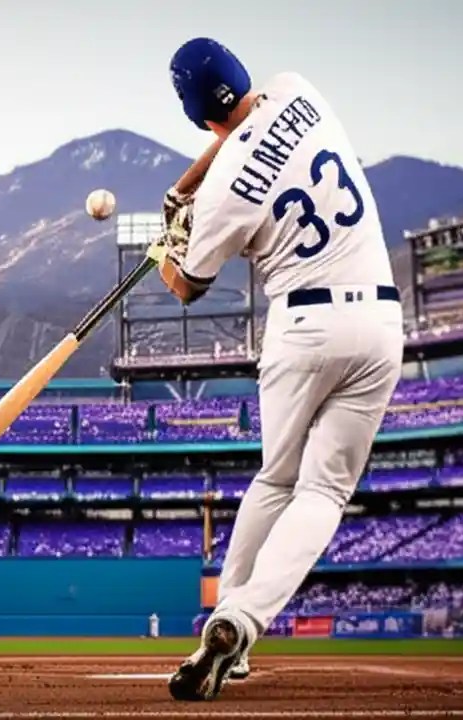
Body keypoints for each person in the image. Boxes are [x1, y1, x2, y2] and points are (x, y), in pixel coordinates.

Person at [157, 37, 404, 701]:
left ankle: (226, 623)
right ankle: (240, 623)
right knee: (324, 492)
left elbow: (188, 285)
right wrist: (188, 187)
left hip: (303, 328)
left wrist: (170, 236)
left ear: (192, 112)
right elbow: (249, 121)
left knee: (276, 480)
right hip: (381, 323)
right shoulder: (300, 88)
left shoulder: (222, 200)